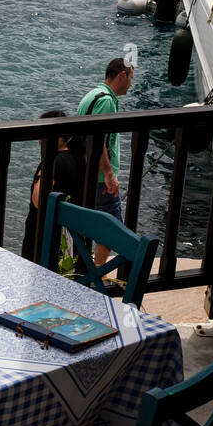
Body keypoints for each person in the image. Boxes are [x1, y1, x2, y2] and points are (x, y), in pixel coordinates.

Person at [77, 57, 134, 268]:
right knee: (114, 233)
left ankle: (90, 273)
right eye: (130, 78)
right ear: (122, 75)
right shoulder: (106, 100)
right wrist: (110, 174)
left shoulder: (92, 95)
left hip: (88, 174)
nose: (131, 84)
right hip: (100, 179)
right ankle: (98, 275)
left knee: (94, 228)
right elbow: (97, 139)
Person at [21, 110, 86, 261]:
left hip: (43, 238)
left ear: (58, 137)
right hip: (69, 237)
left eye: (42, 134)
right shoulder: (77, 157)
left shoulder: (53, 163)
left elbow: (38, 201)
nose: (39, 139)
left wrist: (43, 168)